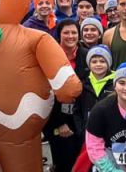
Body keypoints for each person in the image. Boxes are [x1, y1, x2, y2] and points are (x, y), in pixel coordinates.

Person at [46, 19, 89, 172]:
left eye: (73, 32)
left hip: (83, 121)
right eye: (66, 32)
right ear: (59, 35)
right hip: (58, 121)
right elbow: (46, 92)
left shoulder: (87, 56)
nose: (70, 36)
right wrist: (59, 122)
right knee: (64, 165)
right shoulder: (50, 56)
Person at [72, 44, 115, 141]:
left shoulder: (117, 84)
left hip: (111, 134)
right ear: (89, 64)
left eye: (102, 61)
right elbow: (77, 110)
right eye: (94, 61)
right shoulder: (83, 83)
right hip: (88, 134)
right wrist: (81, 131)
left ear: (109, 63)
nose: (98, 64)